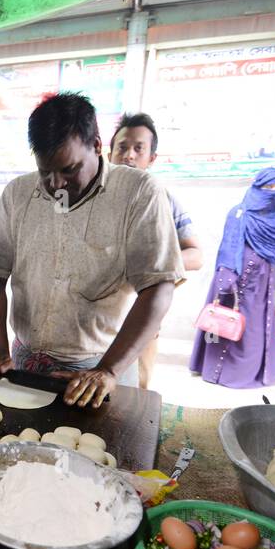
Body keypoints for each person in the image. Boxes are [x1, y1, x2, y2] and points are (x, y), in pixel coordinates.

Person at [0, 93, 184, 408]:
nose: (56, 184)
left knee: (101, 452)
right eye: (45, 172)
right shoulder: (18, 194)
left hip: (98, 367)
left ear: (97, 145)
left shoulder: (138, 193)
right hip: (25, 364)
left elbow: (158, 287)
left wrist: (108, 369)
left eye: (69, 169)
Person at [108, 112, 204, 389]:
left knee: (134, 392)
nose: (129, 155)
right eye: (122, 147)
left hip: (140, 314)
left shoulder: (164, 200)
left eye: (139, 149)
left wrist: (153, 265)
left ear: (152, 158)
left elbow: (196, 255)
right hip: (94, 321)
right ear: (109, 152)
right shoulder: (92, 197)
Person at [189, 167, 275, 388]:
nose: (273, 191)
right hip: (235, 274)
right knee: (222, 322)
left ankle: (246, 373)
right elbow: (230, 244)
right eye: (268, 187)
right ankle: (215, 371)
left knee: (252, 328)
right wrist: (227, 279)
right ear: (257, 187)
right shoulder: (239, 212)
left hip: (261, 280)